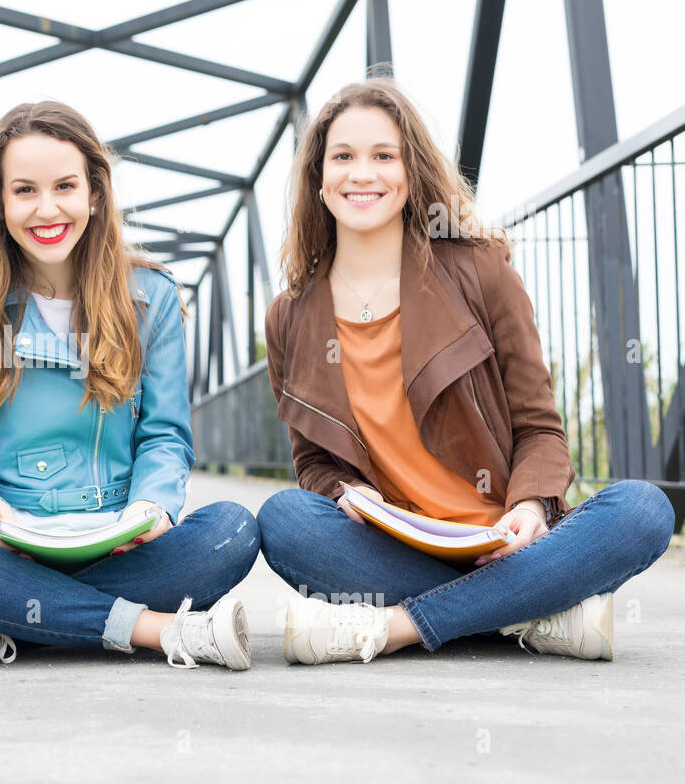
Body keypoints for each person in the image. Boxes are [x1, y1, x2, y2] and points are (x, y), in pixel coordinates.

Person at [258, 77, 674, 665]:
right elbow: (314, 464)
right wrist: (346, 494)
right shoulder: (290, 319)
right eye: (343, 157)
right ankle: (530, 614)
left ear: (410, 171)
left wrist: (529, 510)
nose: (363, 173)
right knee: (284, 522)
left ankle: (397, 626)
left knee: (643, 510)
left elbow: (540, 430)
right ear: (318, 179)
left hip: (509, 542)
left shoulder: (479, 273)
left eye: (384, 155)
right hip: (394, 548)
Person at [0, 101, 259, 672]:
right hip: (10, 540)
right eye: (24, 191)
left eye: (65, 186)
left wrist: (151, 508)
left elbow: (165, 436)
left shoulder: (152, 296)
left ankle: (16, 622)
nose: (47, 209)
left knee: (233, 531)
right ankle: (155, 628)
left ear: (94, 193)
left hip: (118, 535)